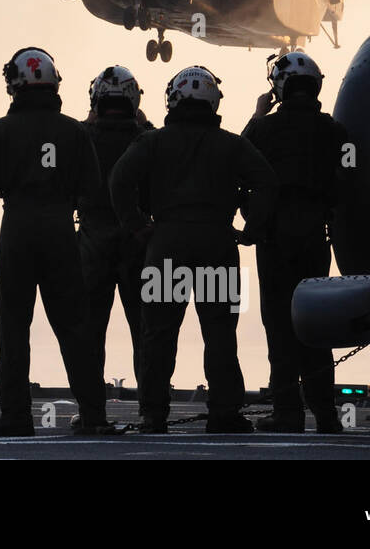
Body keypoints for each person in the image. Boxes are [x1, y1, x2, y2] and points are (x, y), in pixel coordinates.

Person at [109, 67, 277, 434]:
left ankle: (153, 415)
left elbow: (119, 180)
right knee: (219, 332)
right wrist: (251, 229)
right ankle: (224, 413)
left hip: (166, 245)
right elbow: (265, 181)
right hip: (217, 245)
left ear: (173, 99)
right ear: (214, 101)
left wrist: (136, 225)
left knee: (158, 333)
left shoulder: (151, 142)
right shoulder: (233, 145)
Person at [0, 47, 113, 436]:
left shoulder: (1, 129)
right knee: (75, 327)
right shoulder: (74, 131)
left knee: (14, 326)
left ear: (15, 84)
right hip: (61, 229)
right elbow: (92, 187)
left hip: (18, 228)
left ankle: (16, 415)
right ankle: (94, 415)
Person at [243, 51, 348, 434]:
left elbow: (239, 161)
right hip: (316, 239)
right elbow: (349, 177)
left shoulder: (264, 130)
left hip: (274, 239)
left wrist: (257, 115)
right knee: (316, 327)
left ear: (280, 87)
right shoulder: (335, 132)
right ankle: (325, 414)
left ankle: (287, 412)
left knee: (280, 326)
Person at [76, 66, 155, 421]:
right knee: (147, 331)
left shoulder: (81, 137)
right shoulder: (147, 138)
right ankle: (153, 410)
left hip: (92, 241)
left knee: (90, 334)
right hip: (139, 243)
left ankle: (92, 412)